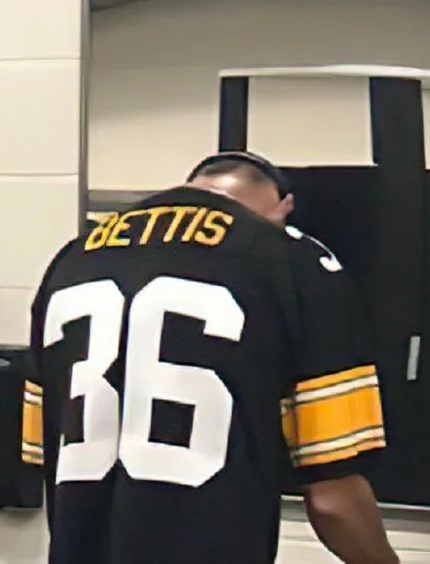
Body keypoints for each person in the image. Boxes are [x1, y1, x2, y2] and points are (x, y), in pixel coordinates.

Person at [22, 151, 398, 564]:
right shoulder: (295, 259)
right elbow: (333, 497)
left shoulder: (71, 261)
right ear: (282, 210)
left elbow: (39, 449)